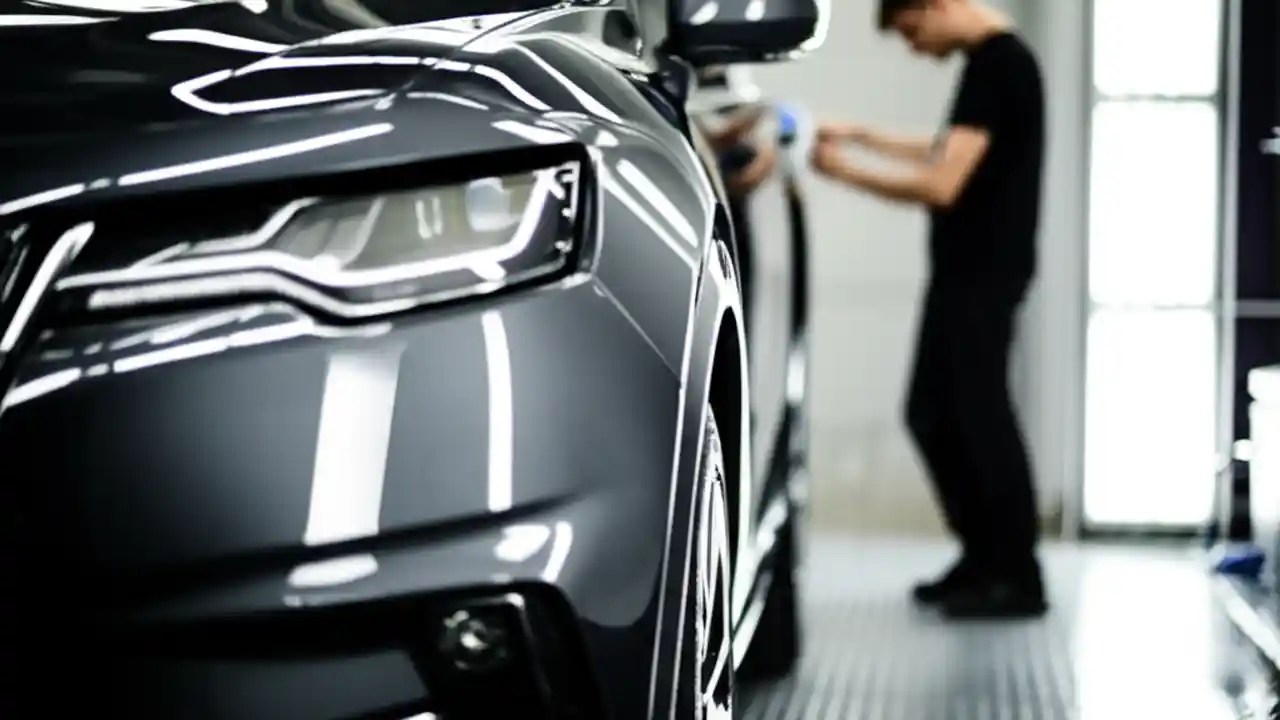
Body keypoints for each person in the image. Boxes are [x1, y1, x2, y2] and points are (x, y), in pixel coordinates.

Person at [809, 0, 1047, 618]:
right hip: (969, 273)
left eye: (913, 32)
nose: (915, 48)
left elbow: (942, 184)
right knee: (938, 413)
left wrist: (843, 171)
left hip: (981, 275)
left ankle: (1015, 573)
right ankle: (986, 558)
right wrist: (859, 135)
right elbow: (948, 149)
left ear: (934, 6)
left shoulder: (1000, 65)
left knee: (976, 417)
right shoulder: (994, 64)